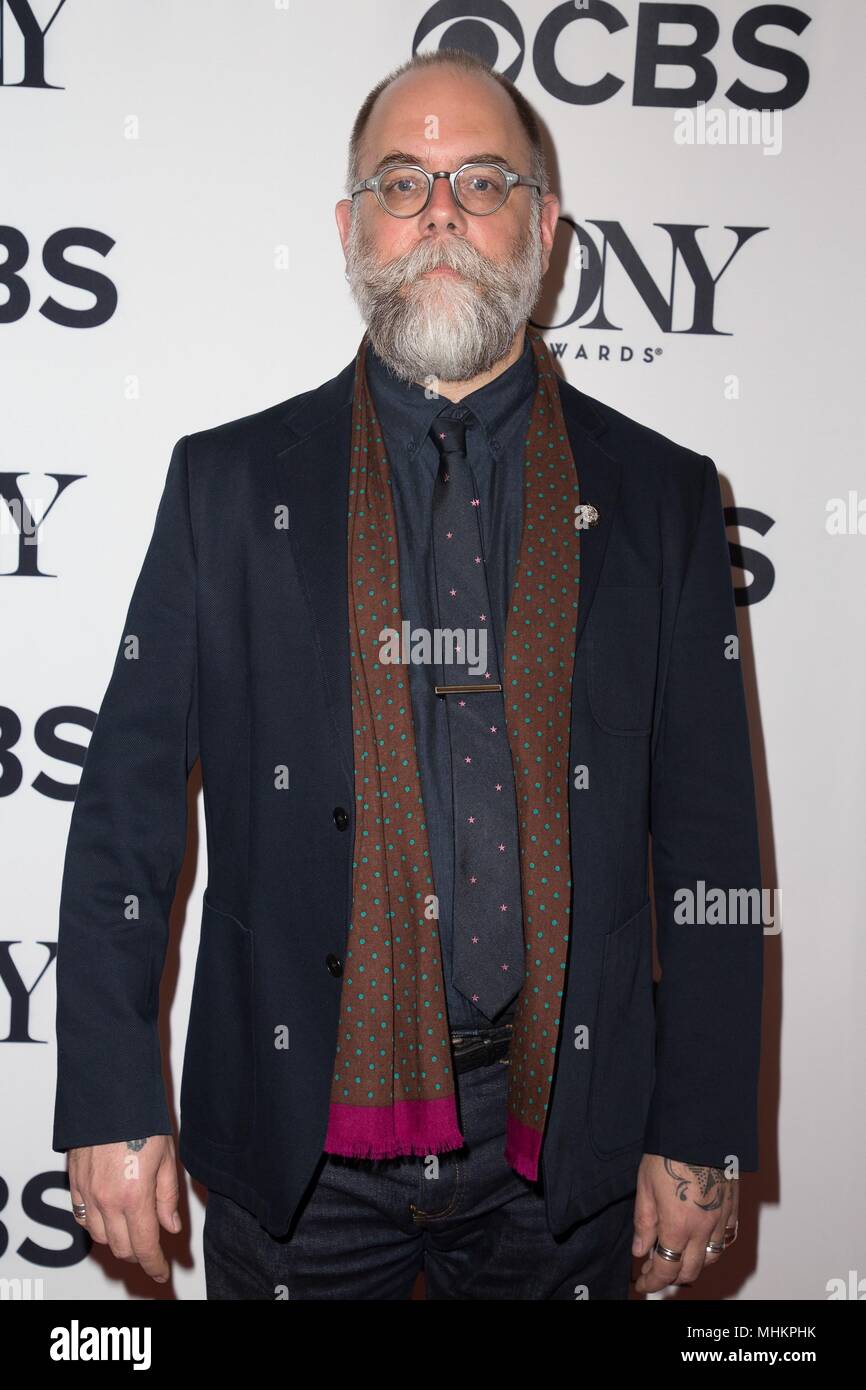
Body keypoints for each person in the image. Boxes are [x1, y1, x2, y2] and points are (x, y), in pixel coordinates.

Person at [53, 48, 763, 1300]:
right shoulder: (230, 487)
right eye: (401, 181)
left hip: (566, 1131)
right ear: (349, 226)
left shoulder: (659, 497)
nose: (439, 210)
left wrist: (698, 1127)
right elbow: (123, 817)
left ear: (542, 226)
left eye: (481, 180)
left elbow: (709, 851)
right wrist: (112, 1091)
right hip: (301, 1142)